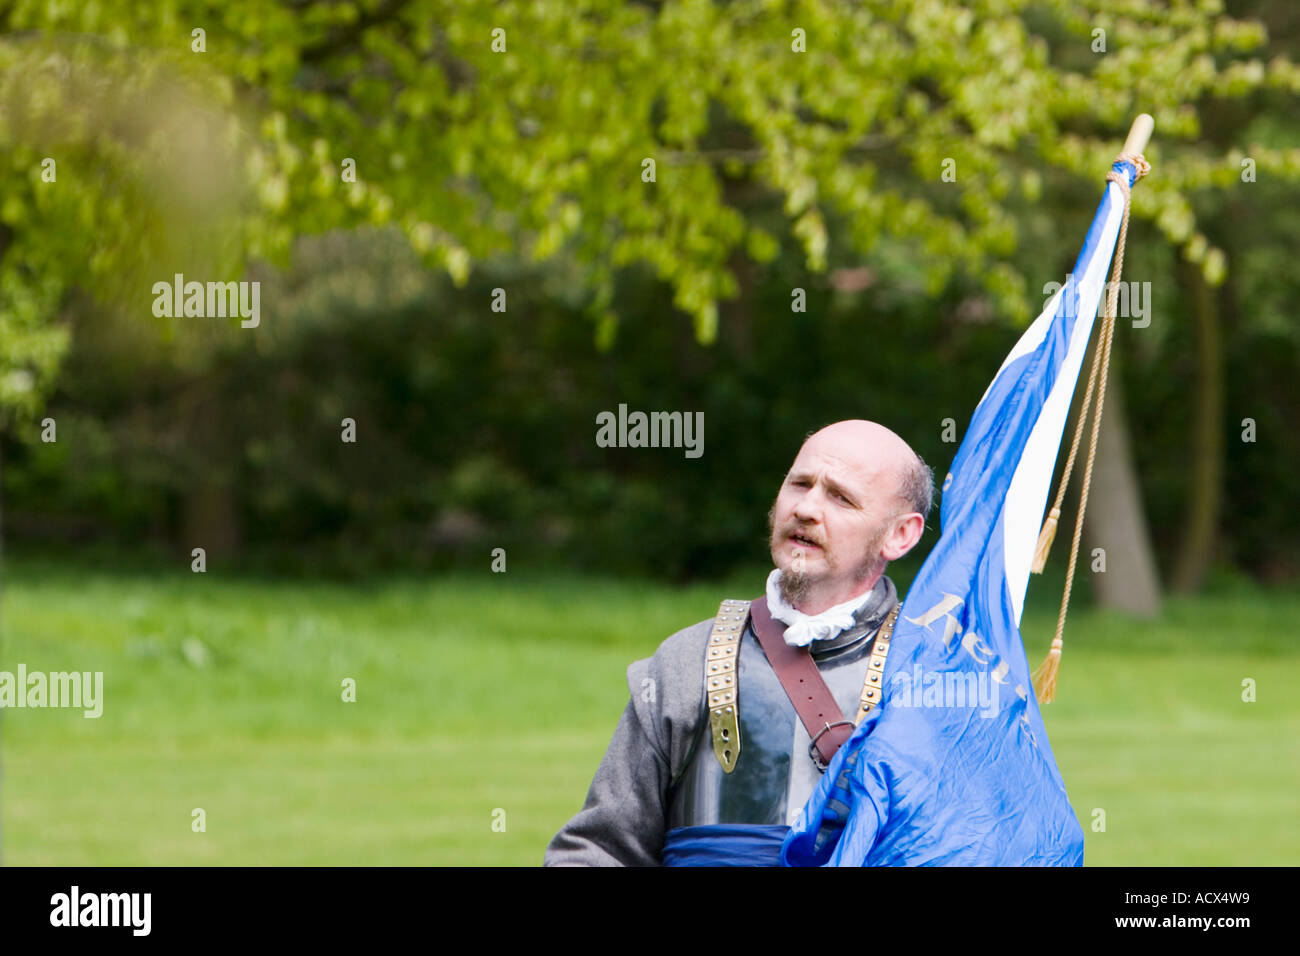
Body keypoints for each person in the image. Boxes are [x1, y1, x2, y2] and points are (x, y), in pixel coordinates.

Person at [544, 419, 932, 866]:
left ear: (900, 534)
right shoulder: (684, 663)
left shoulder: (934, 676)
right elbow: (598, 851)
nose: (806, 508)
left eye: (840, 497)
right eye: (800, 484)